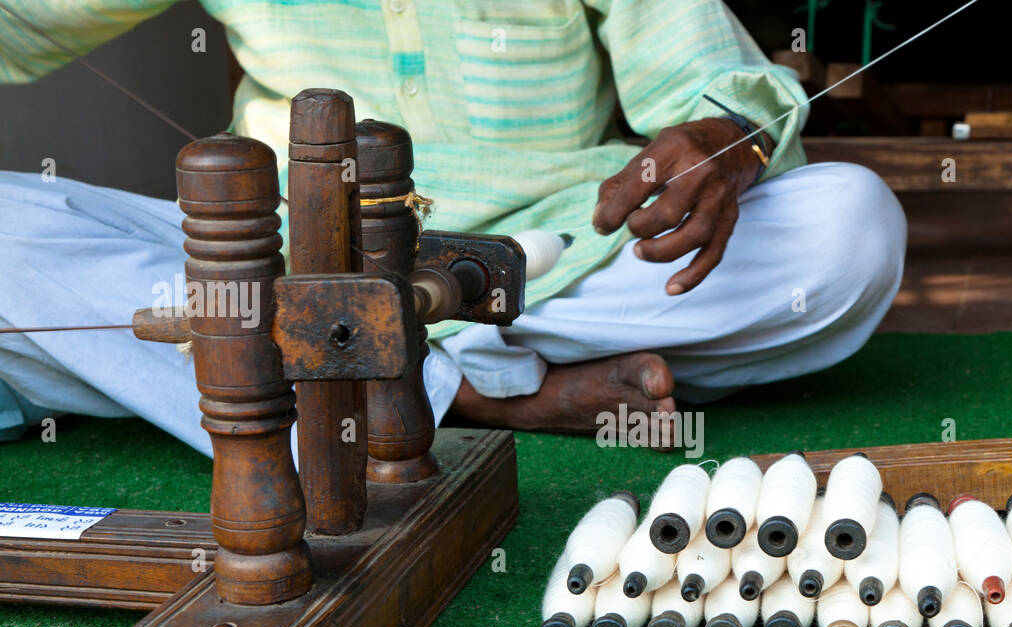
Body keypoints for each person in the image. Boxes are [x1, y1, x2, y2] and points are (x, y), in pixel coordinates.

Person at [0, 0, 905, 454]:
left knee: (850, 227)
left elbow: (710, 80)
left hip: (554, 260)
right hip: (283, 264)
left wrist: (728, 140)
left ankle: (360, 382)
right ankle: (462, 394)